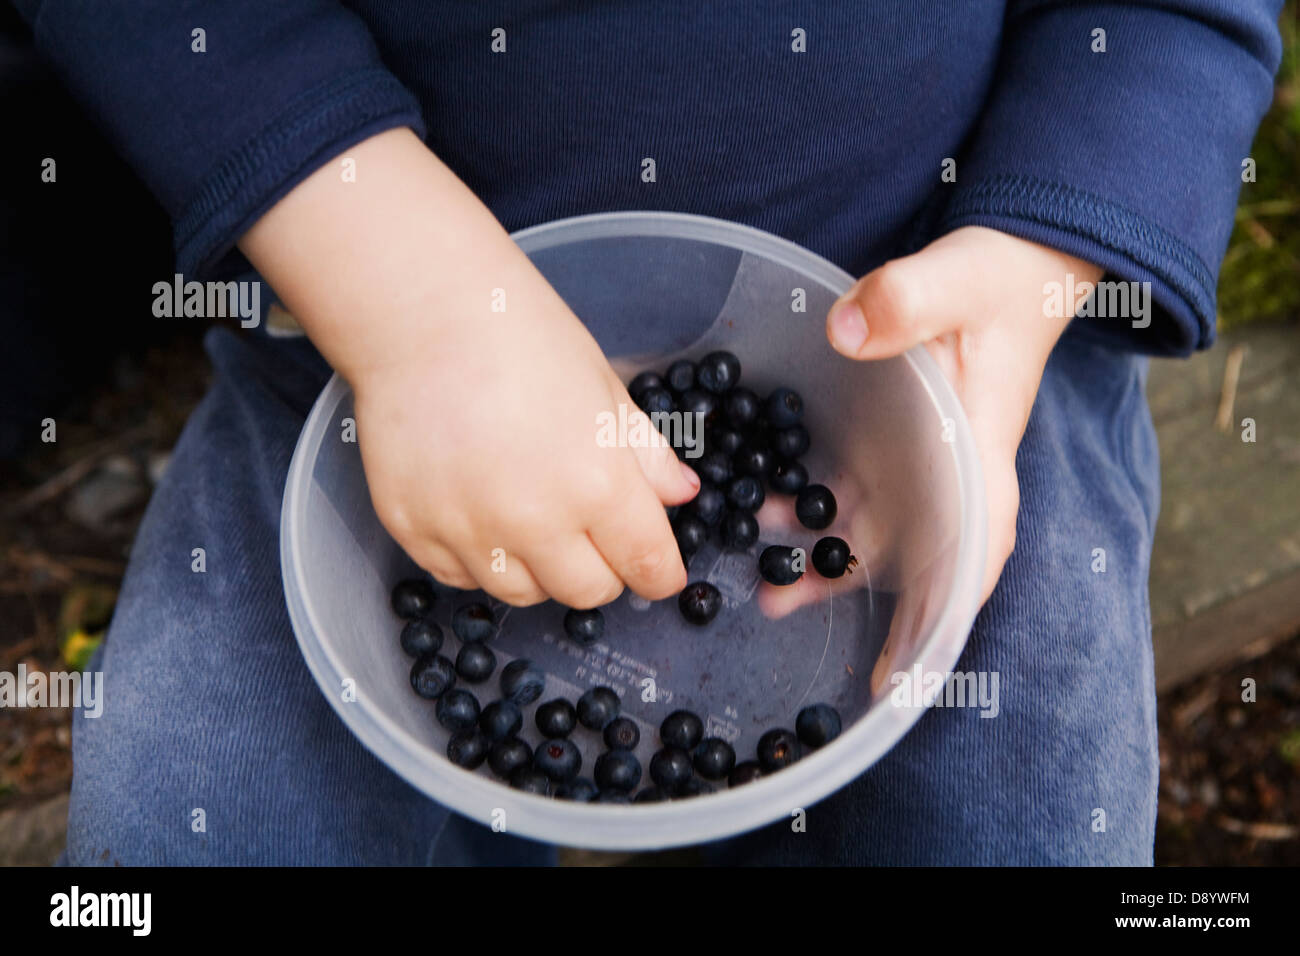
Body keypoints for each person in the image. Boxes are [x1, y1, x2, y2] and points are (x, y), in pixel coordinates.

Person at [13, 0, 1281, 864]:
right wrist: (404, 295)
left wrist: (1035, 263)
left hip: (932, 346)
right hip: (366, 348)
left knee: (1011, 820)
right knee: (201, 824)